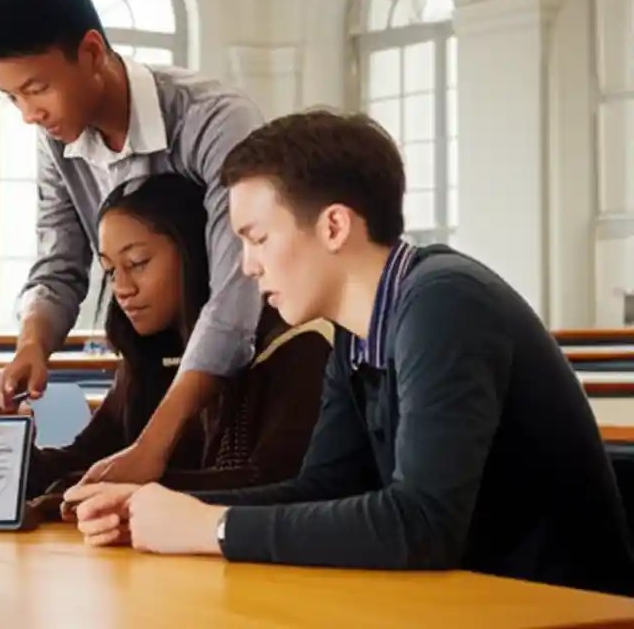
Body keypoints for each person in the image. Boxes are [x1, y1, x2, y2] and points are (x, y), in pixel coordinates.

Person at [65, 110, 634, 596]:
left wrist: (208, 527)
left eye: (258, 238)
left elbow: (423, 524)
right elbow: (327, 487)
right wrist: (152, 503)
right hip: (469, 599)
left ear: (334, 225)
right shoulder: (356, 331)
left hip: (561, 608)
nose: (246, 265)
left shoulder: (445, 303)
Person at [0, 0, 265, 485]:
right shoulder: (56, 137)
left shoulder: (214, 120)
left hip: (252, 366)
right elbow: (58, 264)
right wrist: (32, 347)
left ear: (93, 53)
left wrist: (153, 445)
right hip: (153, 360)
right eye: (13, 99)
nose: (29, 114)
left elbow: (238, 294)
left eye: (37, 89)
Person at [12, 173, 328, 508]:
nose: (122, 288)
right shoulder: (150, 353)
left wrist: (120, 490)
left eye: (137, 263)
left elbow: (274, 482)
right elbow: (89, 459)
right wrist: (15, 453)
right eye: (110, 271)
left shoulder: (298, 348)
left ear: (197, 252)